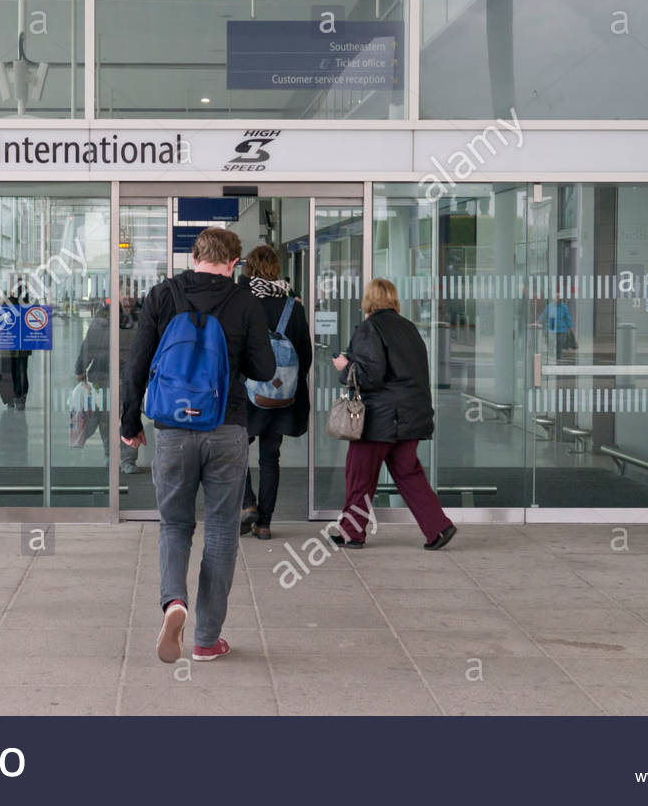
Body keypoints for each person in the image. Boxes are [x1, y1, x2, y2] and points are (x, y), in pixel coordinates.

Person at [121, 227, 274, 664]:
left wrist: (130, 422)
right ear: (233, 262)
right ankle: (207, 639)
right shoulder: (244, 301)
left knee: (174, 525)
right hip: (226, 427)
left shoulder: (163, 295)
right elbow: (264, 368)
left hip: (171, 429)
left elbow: (137, 365)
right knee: (223, 531)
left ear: (194, 257)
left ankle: (174, 603)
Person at [330, 278, 456, 552]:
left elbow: (370, 375)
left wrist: (345, 366)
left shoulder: (370, 328)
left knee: (360, 474)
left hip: (381, 418)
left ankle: (352, 532)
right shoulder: (408, 328)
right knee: (408, 473)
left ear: (369, 301)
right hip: (412, 415)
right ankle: (438, 526)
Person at [237, 244, 312, 541]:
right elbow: (304, 355)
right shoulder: (294, 305)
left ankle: (247, 504)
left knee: (236, 451)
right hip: (282, 395)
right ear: (276, 269)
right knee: (271, 457)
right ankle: (264, 523)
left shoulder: (241, 301)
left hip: (247, 391)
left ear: (250, 269)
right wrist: (286, 382)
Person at [74, 282, 142, 473]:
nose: (128, 297)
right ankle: (109, 454)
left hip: (132, 375)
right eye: (124, 293)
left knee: (130, 414)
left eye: (132, 293)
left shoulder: (143, 316)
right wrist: (80, 368)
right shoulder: (105, 314)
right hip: (104, 372)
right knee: (106, 416)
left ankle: (128, 458)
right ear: (118, 294)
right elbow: (90, 342)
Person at [0, 282, 32, 409]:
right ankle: (20, 398)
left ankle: (10, 398)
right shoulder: (28, 306)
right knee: (21, 371)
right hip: (20, 348)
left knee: (8, 371)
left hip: (9, 347)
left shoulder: (6, 304)